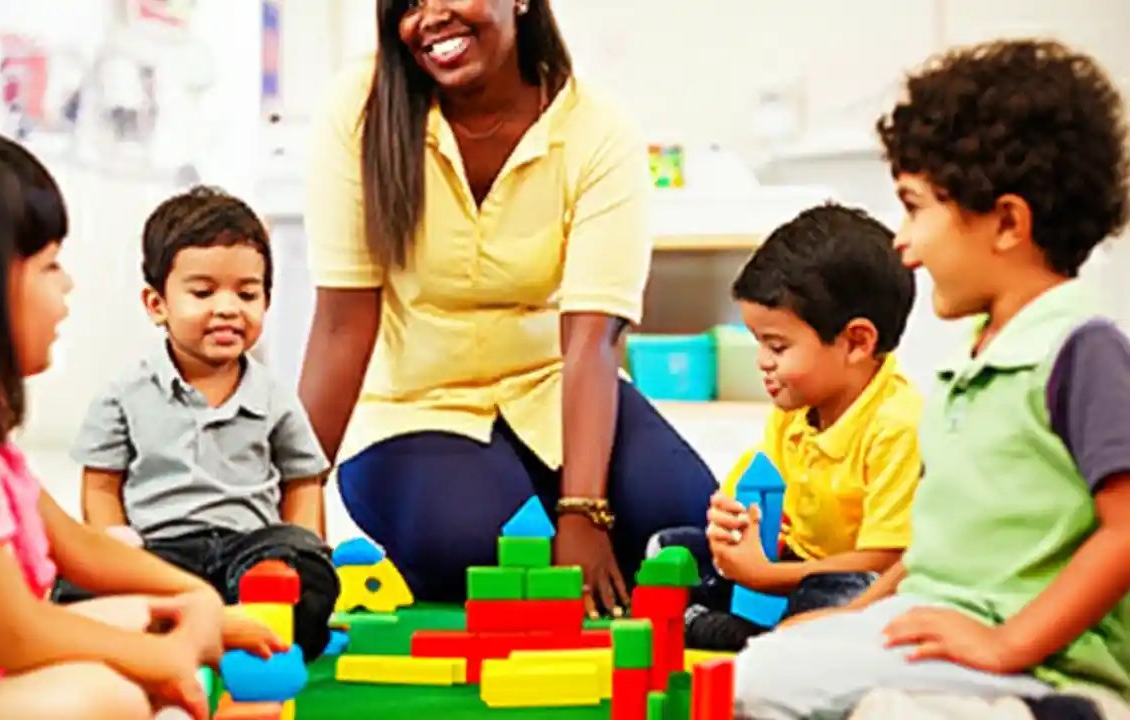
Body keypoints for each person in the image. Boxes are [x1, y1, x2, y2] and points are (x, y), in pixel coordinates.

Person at [735, 39, 1130, 719]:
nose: (903, 241)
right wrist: (848, 617)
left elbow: (1125, 529)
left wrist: (1008, 645)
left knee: (774, 689)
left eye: (916, 208)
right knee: (759, 674)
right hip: (930, 617)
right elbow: (933, 552)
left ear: (1007, 222)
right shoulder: (971, 365)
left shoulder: (1079, 350)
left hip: (1041, 660)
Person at [297, 0, 718, 614]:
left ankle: (565, 523)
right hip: (412, 408)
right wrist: (292, 506)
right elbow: (342, 325)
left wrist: (583, 513)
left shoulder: (596, 131)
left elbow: (591, 339)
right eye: (409, 5)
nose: (431, 18)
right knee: (485, 549)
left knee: (686, 528)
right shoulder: (359, 109)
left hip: (554, 387)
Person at [0, 124, 279, 720]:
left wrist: (195, 600)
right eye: (50, 266)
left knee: (138, 617)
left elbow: (78, 546)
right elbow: (17, 634)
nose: (68, 285)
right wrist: (162, 660)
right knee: (103, 695)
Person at [60, 186, 339, 661]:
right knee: (78, 590)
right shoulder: (124, 394)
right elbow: (102, 485)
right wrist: (116, 553)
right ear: (156, 304)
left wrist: (304, 545)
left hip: (249, 552)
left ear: (266, 302)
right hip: (160, 553)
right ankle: (194, 623)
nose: (228, 308)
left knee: (306, 573)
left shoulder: (274, 396)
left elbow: (303, 479)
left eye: (247, 294)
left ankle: (238, 624)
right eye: (203, 292)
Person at [651, 203, 922, 652]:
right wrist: (734, 527)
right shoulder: (795, 409)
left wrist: (765, 575)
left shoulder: (897, 425)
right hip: (793, 564)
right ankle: (735, 629)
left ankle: (754, 639)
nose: (762, 362)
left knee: (839, 594)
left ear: (856, 342)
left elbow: (886, 562)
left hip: (853, 583)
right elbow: (765, 506)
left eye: (777, 346)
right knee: (671, 547)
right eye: (758, 342)